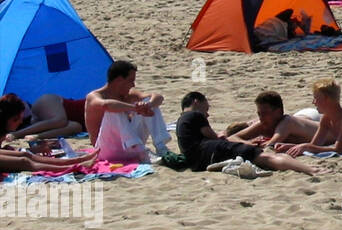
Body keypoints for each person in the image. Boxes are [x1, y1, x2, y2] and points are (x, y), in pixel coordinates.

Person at [176, 91, 322, 175]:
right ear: (196, 102)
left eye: (263, 113)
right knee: (268, 157)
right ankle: (311, 169)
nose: (207, 115)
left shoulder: (181, 121)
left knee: (267, 156)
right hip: (213, 150)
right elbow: (215, 137)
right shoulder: (195, 115)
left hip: (201, 160)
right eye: (206, 110)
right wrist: (248, 143)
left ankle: (310, 169)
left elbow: (272, 144)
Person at [85, 60, 171, 162]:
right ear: (119, 80)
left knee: (146, 102)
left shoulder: (129, 94)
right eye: (130, 80)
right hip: (106, 151)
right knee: (114, 109)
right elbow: (106, 105)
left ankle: (160, 146)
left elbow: (158, 97)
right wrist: (135, 108)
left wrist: (147, 105)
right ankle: (141, 151)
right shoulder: (95, 96)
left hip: (129, 147)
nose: (133, 85)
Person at [226, 91, 320, 145]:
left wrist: (252, 144)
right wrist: (248, 143)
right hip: (299, 119)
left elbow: (271, 144)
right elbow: (232, 138)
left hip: (313, 117)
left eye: (265, 113)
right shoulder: (263, 123)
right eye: (259, 114)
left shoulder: (286, 123)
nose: (261, 118)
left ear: (278, 111)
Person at [1, 92, 87, 139]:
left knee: (76, 126)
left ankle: (36, 136)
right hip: (55, 103)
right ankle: (17, 134)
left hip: (56, 121)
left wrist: (39, 136)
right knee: (60, 120)